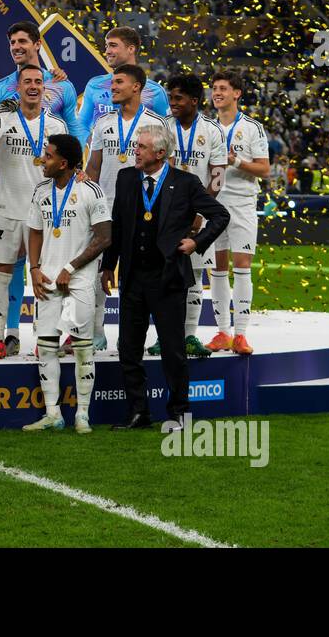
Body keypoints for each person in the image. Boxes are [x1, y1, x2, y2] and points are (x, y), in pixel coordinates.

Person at [102, 128, 229, 431]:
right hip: (133, 277)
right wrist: (109, 265)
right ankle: (138, 412)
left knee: (173, 350)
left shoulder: (185, 183)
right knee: (129, 348)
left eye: (142, 147)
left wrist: (197, 243)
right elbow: (118, 225)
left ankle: (179, 414)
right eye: (136, 146)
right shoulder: (126, 178)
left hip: (168, 278)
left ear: (160, 153)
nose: (136, 151)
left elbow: (220, 215)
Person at [0, 22, 82, 354]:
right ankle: (3, 334)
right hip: (5, 204)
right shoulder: (0, 101)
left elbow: (73, 142)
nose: (33, 86)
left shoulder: (58, 106)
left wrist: (79, 173)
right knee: (3, 271)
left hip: (44, 208)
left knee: (46, 272)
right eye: (27, 82)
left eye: (37, 82)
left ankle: (46, 336)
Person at [24, 134, 111, 433]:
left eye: (47, 156)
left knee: (83, 348)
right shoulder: (40, 191)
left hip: (80, 280)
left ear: (63, 163)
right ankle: (53, 414)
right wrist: (34, 268)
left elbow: (104, 237)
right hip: (47, 278)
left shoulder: (91, 191)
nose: (42, 161)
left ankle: (82, 415)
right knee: (46, 345)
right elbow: (34, 231)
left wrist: (71, 267)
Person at [84, 64, 169, 351]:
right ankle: (96, 332)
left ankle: (130, 336)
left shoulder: (157, 123)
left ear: (137, 87)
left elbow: (165, 170)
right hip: (103, 208)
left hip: (141, 211)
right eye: (112, 82)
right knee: (96, 274)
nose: (113, 87)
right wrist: (87, 200)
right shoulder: (103, 122)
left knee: (135, 278)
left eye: (119, 82)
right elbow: (93, 166)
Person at [149, 72, 226, 359]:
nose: (172, 102)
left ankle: (190, 335)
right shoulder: (160, 127)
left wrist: (198, 212)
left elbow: (217, 177)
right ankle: (164, 337)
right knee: (161, 278)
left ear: (194, 101)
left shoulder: (212, 131)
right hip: (162, 214)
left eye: (178, 98)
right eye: (170, 97)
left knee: (193, 276)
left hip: (196, 217)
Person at [207, 71, 270, 355]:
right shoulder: (206, 127)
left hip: (242, 204)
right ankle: (223, 332)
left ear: (237, 94)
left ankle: (241, 334)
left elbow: (264, 169)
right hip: (213, 205)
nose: (217, 92)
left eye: (223, 88)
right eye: (214, 88)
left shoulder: (252, 128)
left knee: (242, 266)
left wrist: (236, 161)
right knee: (217, 270)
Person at [77, 26, 170, 140]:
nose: (107, 51)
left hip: (139, 156)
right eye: (106, 46)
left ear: (131, 49)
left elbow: (166, 132)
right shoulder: (95, 85)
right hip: (103, 157)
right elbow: (82, 125)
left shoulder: (155, 91)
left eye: (113, 45)